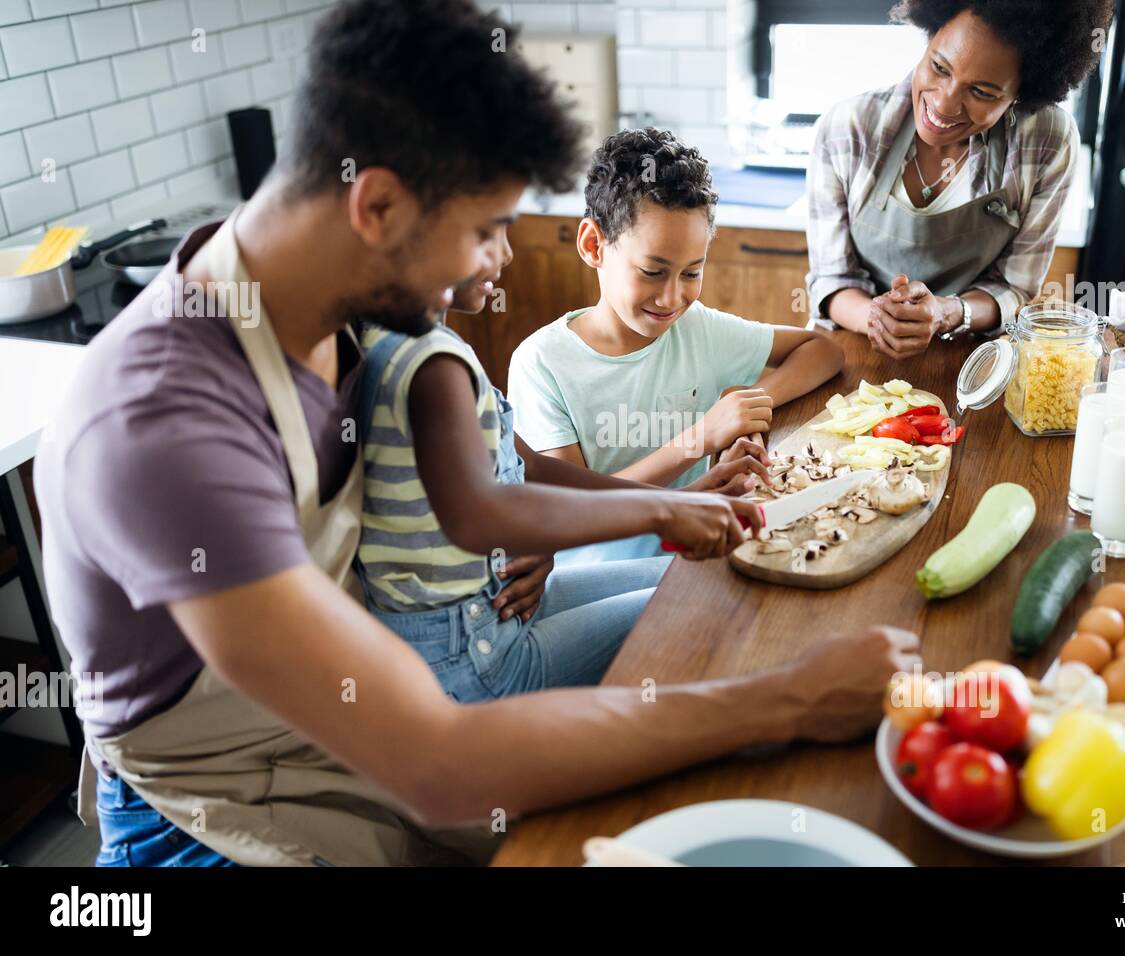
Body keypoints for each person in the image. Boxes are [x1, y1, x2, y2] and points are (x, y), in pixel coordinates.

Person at [34, 0, 919, 868]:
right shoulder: (161, 428)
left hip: (348, 723)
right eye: (488, 230)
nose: (494, 263)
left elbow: (501, 481)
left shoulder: (337, 299)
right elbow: (441, 763)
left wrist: (654, 508)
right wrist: (794, 700)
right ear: (376, 207)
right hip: (218, 816)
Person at [353, 227, 768, 699]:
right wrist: (666, 513)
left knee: (713, 572)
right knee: (716, 597)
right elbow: (479, 516)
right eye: (486, 230)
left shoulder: (408, 339)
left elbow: (530, 466)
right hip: (474, 656)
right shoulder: (431, 365)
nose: (506, 253)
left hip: (491, 608)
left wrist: (684, 499)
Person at [509, 127, 843, 563]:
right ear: (594, 245)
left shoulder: (696, 329)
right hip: (599, 573)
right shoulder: (542, 364)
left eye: (691, 273)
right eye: (652, 271)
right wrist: (700, 439)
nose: (672, 299)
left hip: (696, 551)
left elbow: (823, 352)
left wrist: (748, 402)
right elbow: (572, 509)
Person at [805, 0, 1113, 359]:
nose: (945, 105)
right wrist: (877, 318)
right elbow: (832, 280)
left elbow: (1016, 289)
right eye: (939, 67)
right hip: (854, 350)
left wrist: (947, 313)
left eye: (981, 92)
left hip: (973, 360)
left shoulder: (1046, 140)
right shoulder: (848, 128)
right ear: (929, 35)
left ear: (1021, 95)